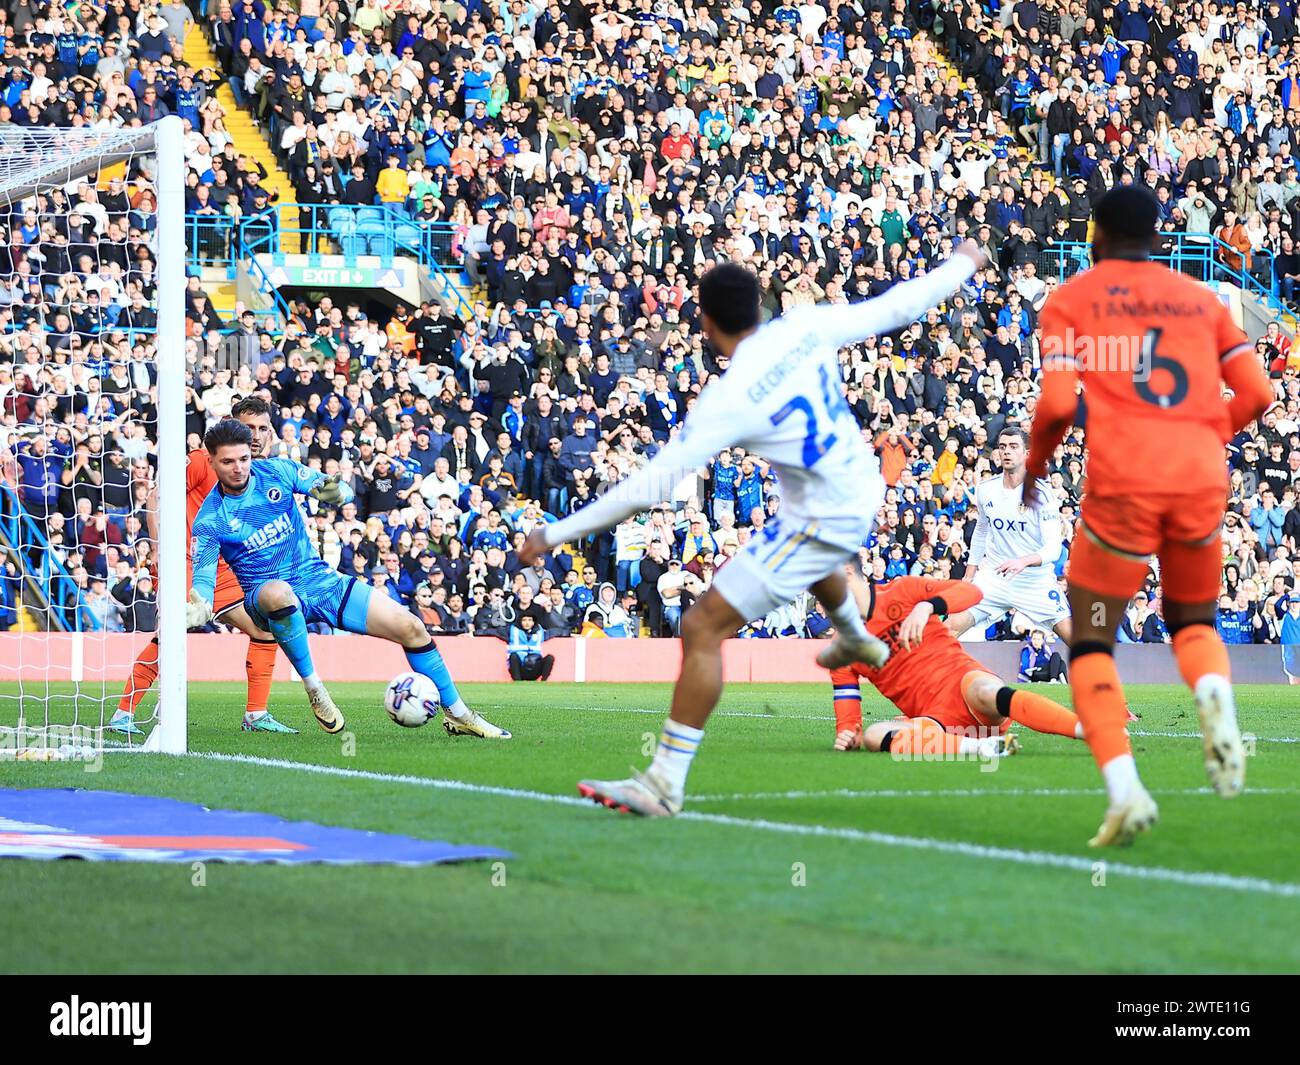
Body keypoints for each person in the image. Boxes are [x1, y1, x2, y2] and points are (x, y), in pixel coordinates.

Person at [519, 243, 987, 816]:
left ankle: (664, 782)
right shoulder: (807, 327)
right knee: (803, 547)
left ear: (708, 323)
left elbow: (647, 489)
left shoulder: (728, 398)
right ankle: (854, 633)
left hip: (823, 520)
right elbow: (898, 305)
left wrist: (554, 533)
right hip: (861, 490)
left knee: (700, 628)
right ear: (763, 306)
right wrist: (963, 260)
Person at [1026, 186, 1273, 846]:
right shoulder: (1201, 297)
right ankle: (1215, 695)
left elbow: (1054, 407)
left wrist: (1032, 467)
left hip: (1122, 489)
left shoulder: (1070, 300)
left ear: (1095, 236)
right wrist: (1202, 435)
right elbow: (1259, 391)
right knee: (1192, 619)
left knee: (1091, 636)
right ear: (1160, 238)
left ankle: (1126, 790)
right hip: (1198, 479)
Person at [189, 420, 511, 739]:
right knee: (278, 592)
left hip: (320, 582)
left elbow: (329, 486)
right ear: (212, 460)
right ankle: (314, 687)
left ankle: (460, 714)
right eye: (228, 462)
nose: (238, 468)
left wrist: (338, 491)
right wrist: (200, 603)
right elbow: (203, 577)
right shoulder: (210, 519)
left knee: (412, 628)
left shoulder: (277, 471)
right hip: (265, 597)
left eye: (243, 459)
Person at [110, 396, 295, 736]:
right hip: (184, 562)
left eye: (262, 429)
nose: (255, 435)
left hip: (224, 571)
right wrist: (158, 552)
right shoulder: (202, 461)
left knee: (266, 629)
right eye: (247, 427)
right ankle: (124, 713)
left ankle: (256, 714)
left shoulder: (262, 476)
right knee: (171, 636)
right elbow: (157, 497)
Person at [831, 575, 1084, 756]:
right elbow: (849, 721)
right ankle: (981, 748)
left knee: (985, 691)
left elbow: (973, 593)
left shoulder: (903, 589)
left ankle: (1087, 730)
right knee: (874, 736)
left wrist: (927, 605)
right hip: (937, 721)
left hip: (968, 688)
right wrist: (848, 734)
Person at [945, 427, 1071, 646]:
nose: (1006, 452)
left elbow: (1053, 548)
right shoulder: (986, 489)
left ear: (1027, 454)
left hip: (1035, 582)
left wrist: (1024, 561)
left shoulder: (1043, 495)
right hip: (994, 577)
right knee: (949, 627)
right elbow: (982, 531)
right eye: (1002, 447)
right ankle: (917, 678)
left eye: (1013, 447)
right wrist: (969, 574)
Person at [507, 615, 554, 681]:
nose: (527, 623)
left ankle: (544, 682)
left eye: (529, 620)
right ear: (520, 622)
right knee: (513, 656)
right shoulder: (511, 630)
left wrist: (568, 632)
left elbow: (554, 631)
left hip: (534, 665)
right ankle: (517, 682)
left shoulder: (540, 631)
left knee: (550, 658)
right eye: (524, 620)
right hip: (520, 667)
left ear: (533, 622)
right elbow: (497, 631)